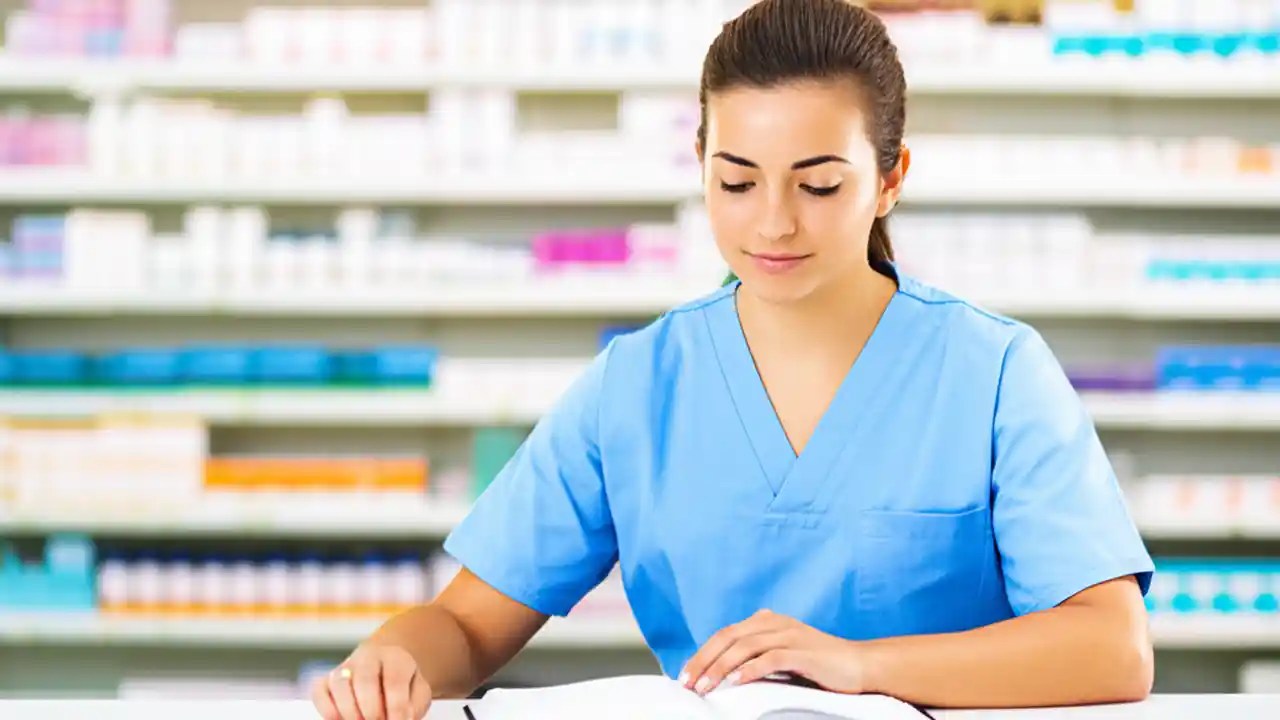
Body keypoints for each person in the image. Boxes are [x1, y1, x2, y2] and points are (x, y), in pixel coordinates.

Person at [312, 2, 1155, 719]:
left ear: (890, 178)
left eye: (818, 185)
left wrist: (861, 668)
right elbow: (465, 627)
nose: (773, 224)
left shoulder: (995, 371)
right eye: (737, 182)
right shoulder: (639, 384)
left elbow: (1113, 648)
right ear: (701, 170)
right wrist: (396, 657)